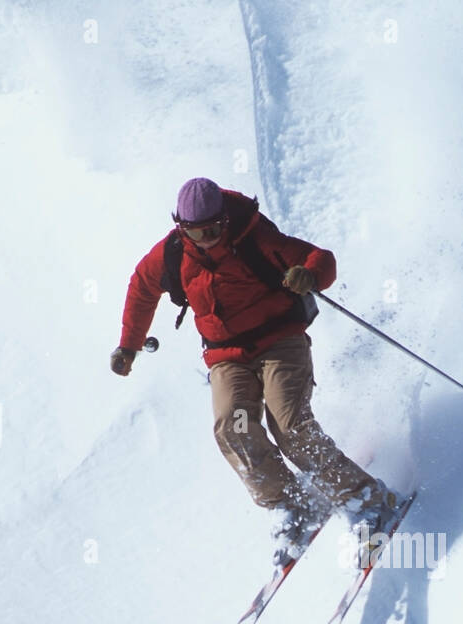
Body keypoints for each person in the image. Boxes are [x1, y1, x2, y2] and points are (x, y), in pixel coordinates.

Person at [111, 177, 398, 565]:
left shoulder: (253, 235)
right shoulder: (174, 254)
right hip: (226, 356)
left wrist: (309, 275)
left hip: (280, 341)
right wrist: (129, 345)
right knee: (233, 426)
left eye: (212, 230)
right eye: (195, 232)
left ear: (223, 221)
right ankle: (289, 505)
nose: (206, 239)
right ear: (181, 227)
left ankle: (364, 498)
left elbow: (320, 259)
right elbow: (142, 288)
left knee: (289, 424)